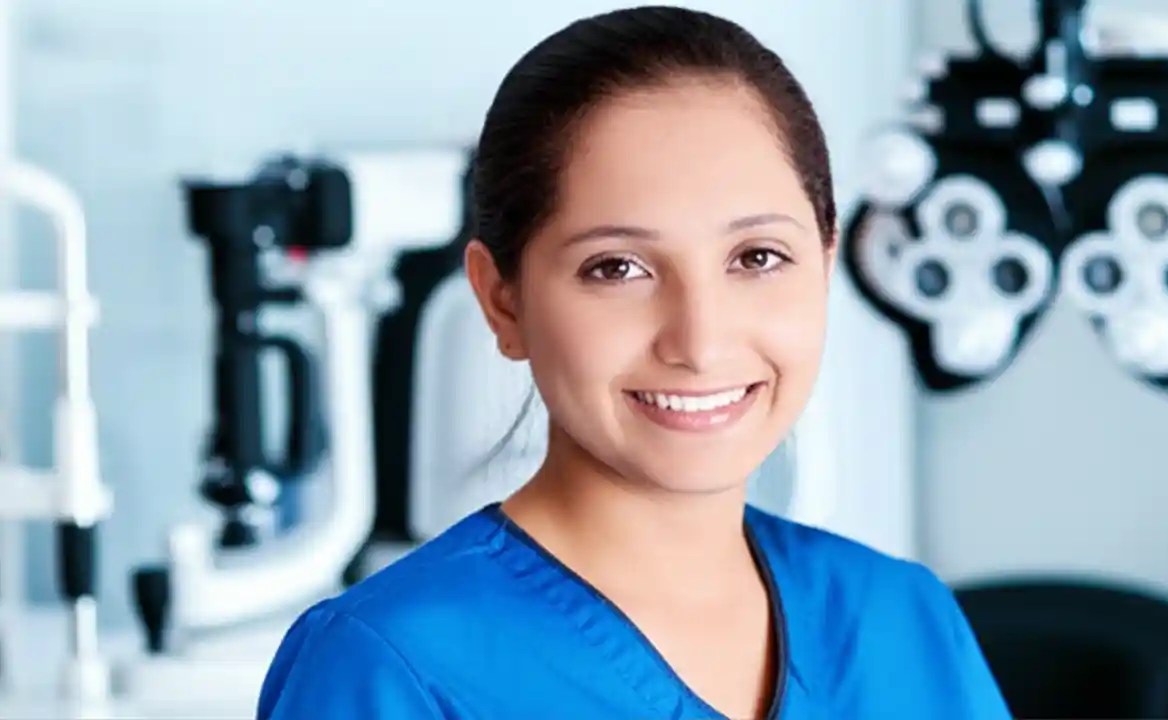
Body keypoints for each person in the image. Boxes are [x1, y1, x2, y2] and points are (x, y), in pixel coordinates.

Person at [256, 6, 1011, 719]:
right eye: (617, 268)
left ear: (824, 264)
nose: (700, 341)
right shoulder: (392, 669)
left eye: (757, 256)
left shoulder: (902, 621)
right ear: (502, 301)